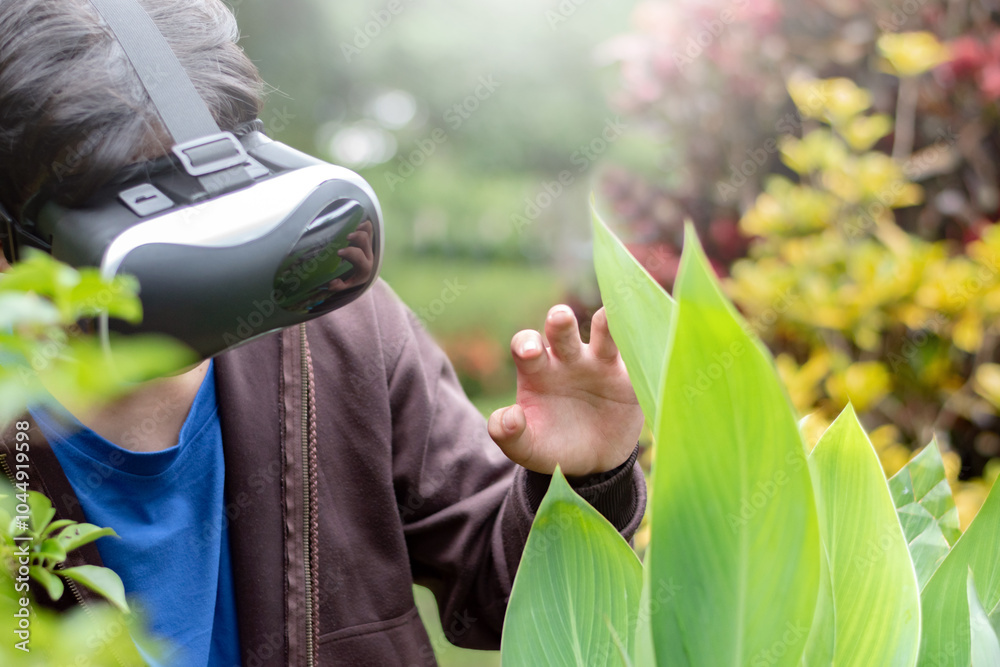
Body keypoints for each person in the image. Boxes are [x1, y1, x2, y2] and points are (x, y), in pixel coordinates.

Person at [0, 1, 646, 665]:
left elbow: (498, 592)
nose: (188, 247)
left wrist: (582, 480)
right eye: (134, 204)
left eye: (200, 181)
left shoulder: (341, 332)